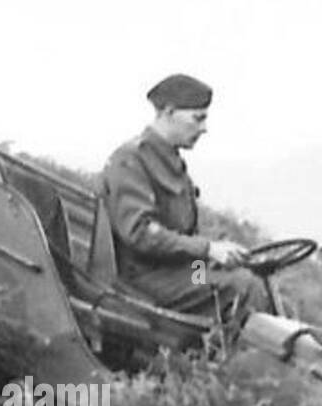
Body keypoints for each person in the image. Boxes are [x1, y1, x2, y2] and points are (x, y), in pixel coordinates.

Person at [100, 74, 269, 332]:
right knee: (243, 286)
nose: (204, 128)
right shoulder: (131, 160)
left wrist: (215, 258)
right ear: (169, 112)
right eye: (197, 118)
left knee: (249, 277)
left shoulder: (171, 161)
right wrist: (207, 249)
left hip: (181, 272)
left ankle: (225, 352)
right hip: (145, 279)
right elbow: (139, 233)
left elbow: (186, 233)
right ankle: (245, 365)